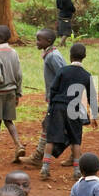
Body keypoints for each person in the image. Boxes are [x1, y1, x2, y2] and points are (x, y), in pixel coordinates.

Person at [44, 41, 96, 179]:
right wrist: (95, 115)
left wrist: (51, 107)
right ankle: (77, 171)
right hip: (75, 109)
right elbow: (92, 96)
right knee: (75, 139)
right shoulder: (86, 75)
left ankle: (45, 168)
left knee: (51, 138)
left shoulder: (62, 71)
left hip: (58, 107)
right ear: (84, 56)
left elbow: (53, 89)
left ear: (70, 55)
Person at [29, 28, 67, 170]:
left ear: (49, 41)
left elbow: (63, 75)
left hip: (59, 99)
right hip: (56, 98)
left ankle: (38, 157)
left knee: (49, 125)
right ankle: (75, 155)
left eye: (39, 39)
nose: (36, 42)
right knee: (57, 125)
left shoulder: (53, 56)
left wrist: (59, 97)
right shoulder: (49, 54)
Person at [0, 24, 24, 160]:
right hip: (11, 91)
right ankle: (18, 144)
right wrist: (18, 93)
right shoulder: (13, 52)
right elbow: (19, 75)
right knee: (9, 120)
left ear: (0, 38)